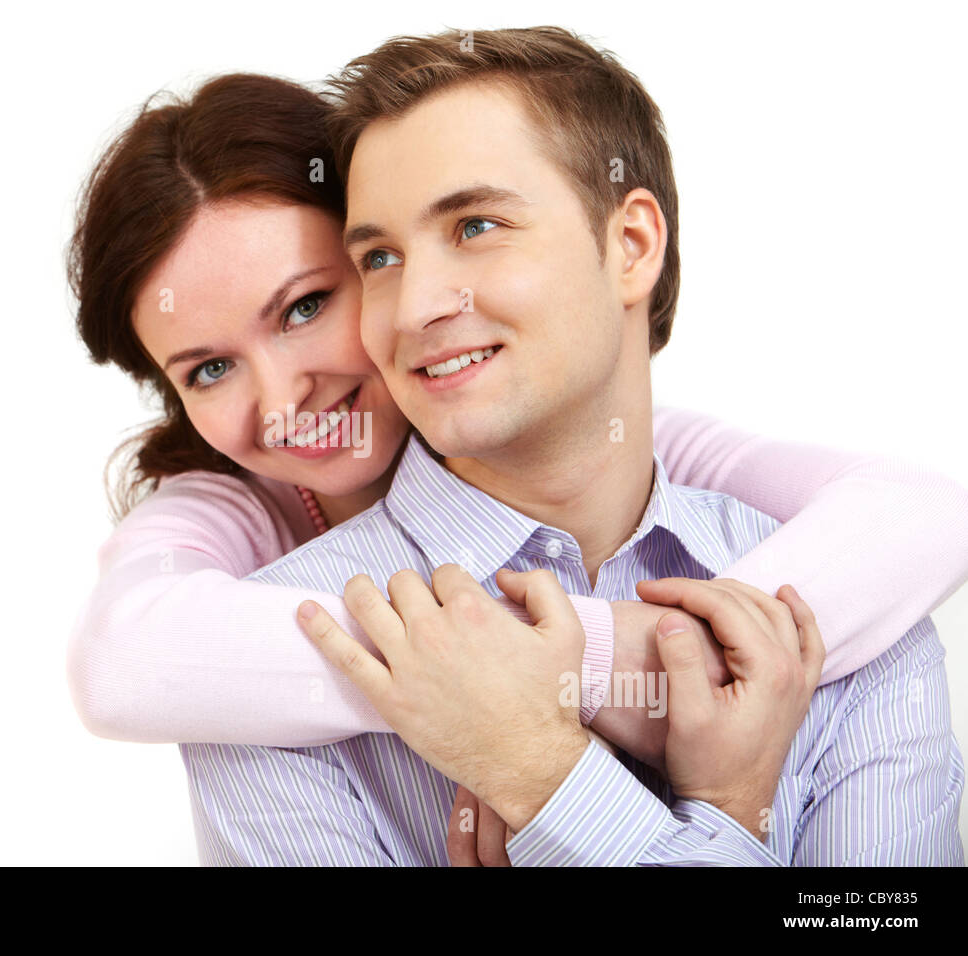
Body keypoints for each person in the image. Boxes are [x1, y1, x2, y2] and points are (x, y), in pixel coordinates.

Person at [163, 27, 963, 865]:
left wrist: (546, 782)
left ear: (631, 245)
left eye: (475, 226)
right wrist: (728, 809)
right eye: (381, 257)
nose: (414, 307)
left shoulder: (843, 612)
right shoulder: (271, 669)